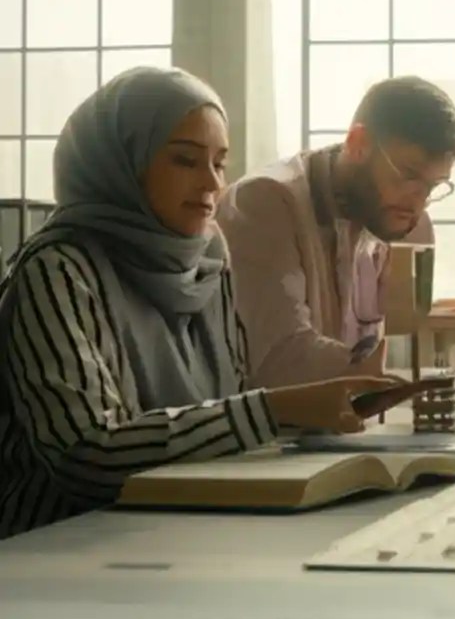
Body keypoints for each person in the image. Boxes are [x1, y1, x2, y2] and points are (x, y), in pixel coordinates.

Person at [0, 68, 394, 539]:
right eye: (185, 160)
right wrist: (273, 412)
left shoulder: (207, 262)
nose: (212, 184)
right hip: (52, 553)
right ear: (123, 162)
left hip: (179, 531)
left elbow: (220, 416)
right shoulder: (59, 270)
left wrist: (311, 422)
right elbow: (88, 457)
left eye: (220, 163)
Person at [218, 77, 455, 388]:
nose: (418, 201)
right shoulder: (265, 202)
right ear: (358, 143)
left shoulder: (402, 220)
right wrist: (391, 372)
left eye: (433, 186)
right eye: (408, 175)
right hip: (273, 431)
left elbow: (401, 334)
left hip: (348, 427)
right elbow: (278, 359)